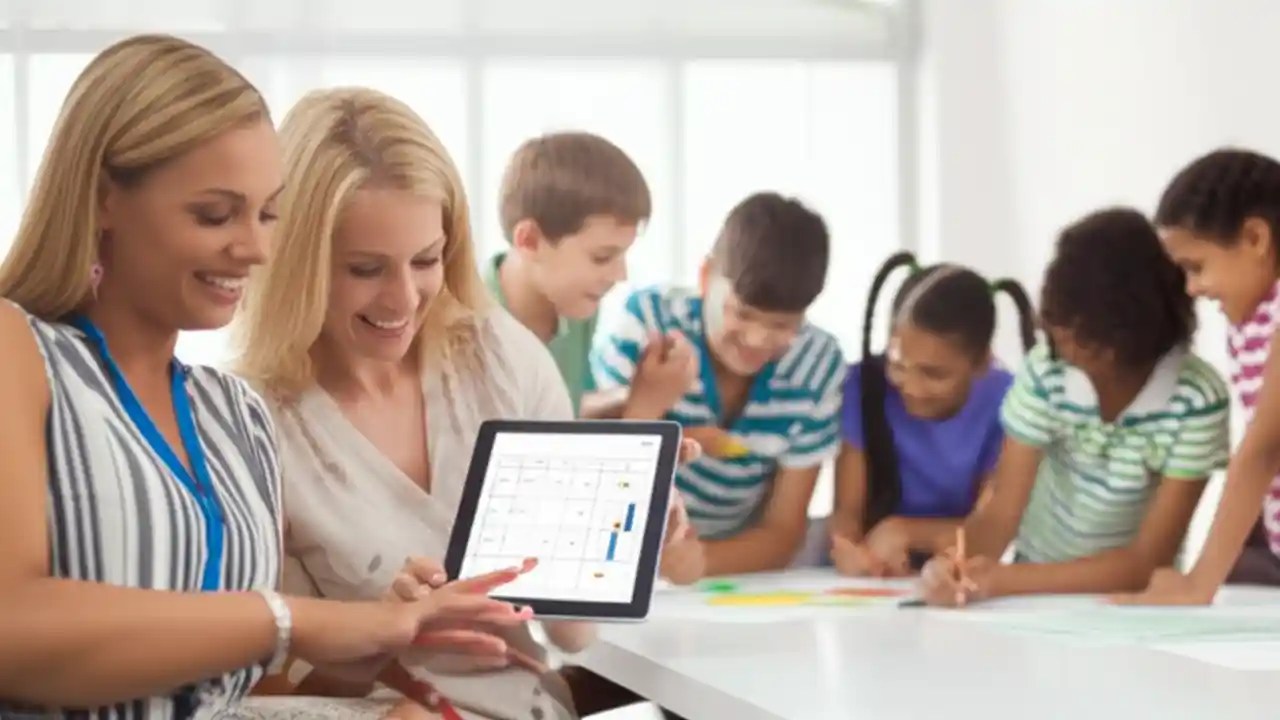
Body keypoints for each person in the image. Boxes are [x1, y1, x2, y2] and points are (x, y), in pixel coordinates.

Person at [0, 36, 526, 720]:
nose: (256, 249)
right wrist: (296, 619)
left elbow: (245, 693)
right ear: (104, 198)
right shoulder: (21, 351)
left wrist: (363, 653)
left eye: (267, 213)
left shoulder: (236, 416)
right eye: (214, 215)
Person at [235, 86, 668, 719]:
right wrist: (389, 630)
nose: (404, 300)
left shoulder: (495, 354)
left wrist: (626, 525)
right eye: (364, 268)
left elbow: (573, 628)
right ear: (296, 262)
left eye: (426, 260)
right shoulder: (252, 420)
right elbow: (266, 687)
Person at [918, 207, 1231, 607]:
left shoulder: (1196, 400)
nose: (1065, 347)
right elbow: (999, 517)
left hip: (1127, 604)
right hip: (1031, 591)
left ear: (1128, 333)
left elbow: (1146, 563)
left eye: (1082, 338)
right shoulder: (1048, 371)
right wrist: (951, 566)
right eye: (1059, 332)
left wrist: (1008, 579)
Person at [589, 192, 845, 578]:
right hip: (614, 553)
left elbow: (783, 531)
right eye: (742, 313)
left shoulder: (817, 365)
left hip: (729, 570)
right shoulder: (650, 323)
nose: (758, 339)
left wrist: (702, 560)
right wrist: (649, 404)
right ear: (706, 277)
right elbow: (597, 461)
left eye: (782, 325)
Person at [1119, 148, 1280, 604]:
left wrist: (1198, 584)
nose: (1192, 288)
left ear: (1254, 238)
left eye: (1196, 267)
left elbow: (1263, 451)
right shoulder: (1250, 323)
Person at [825, 252, 1036, 576]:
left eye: (934, 374)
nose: (911, 387)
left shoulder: (1009, 404)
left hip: (956, 574)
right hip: (877, 574)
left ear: (981, 363)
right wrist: (850, 549)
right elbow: (847, 512)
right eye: (898, 365)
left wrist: (906, 532)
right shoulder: (863, 386)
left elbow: (988, 535)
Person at [484, 131, 695, 419]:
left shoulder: (570, 305)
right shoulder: (472, 335)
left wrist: (642, 396)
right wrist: (644, 410)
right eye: (602, 257)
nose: (620, 275)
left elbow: (564, 418)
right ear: (530, 241)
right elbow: (536, 456)